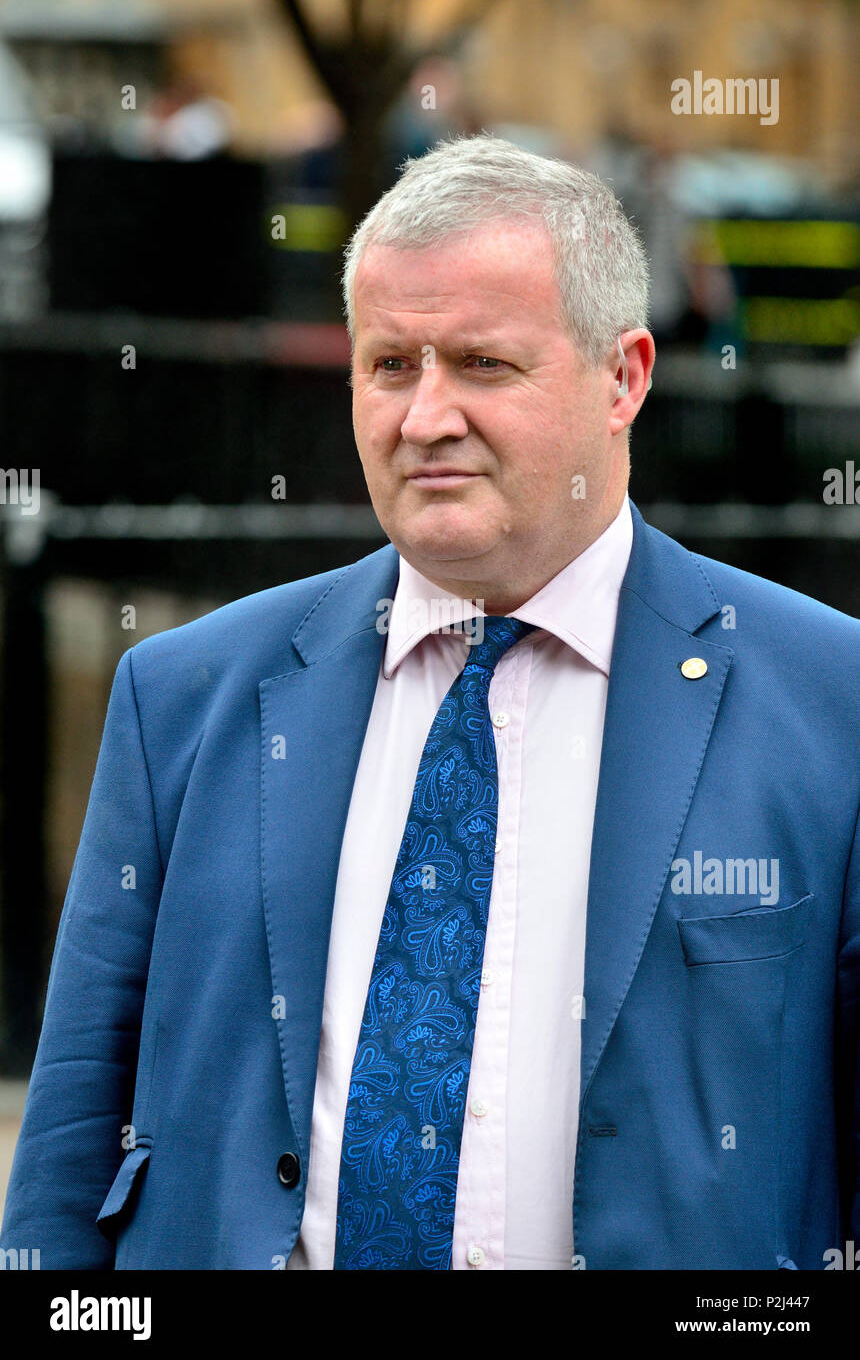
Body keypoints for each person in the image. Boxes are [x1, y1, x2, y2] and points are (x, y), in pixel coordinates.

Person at [2, 135, 858, 1271]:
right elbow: (72, 1135)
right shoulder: (185, 696)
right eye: (389, 364)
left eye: (481, 364)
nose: (423, 416)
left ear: (624, 377)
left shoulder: (826, 701)